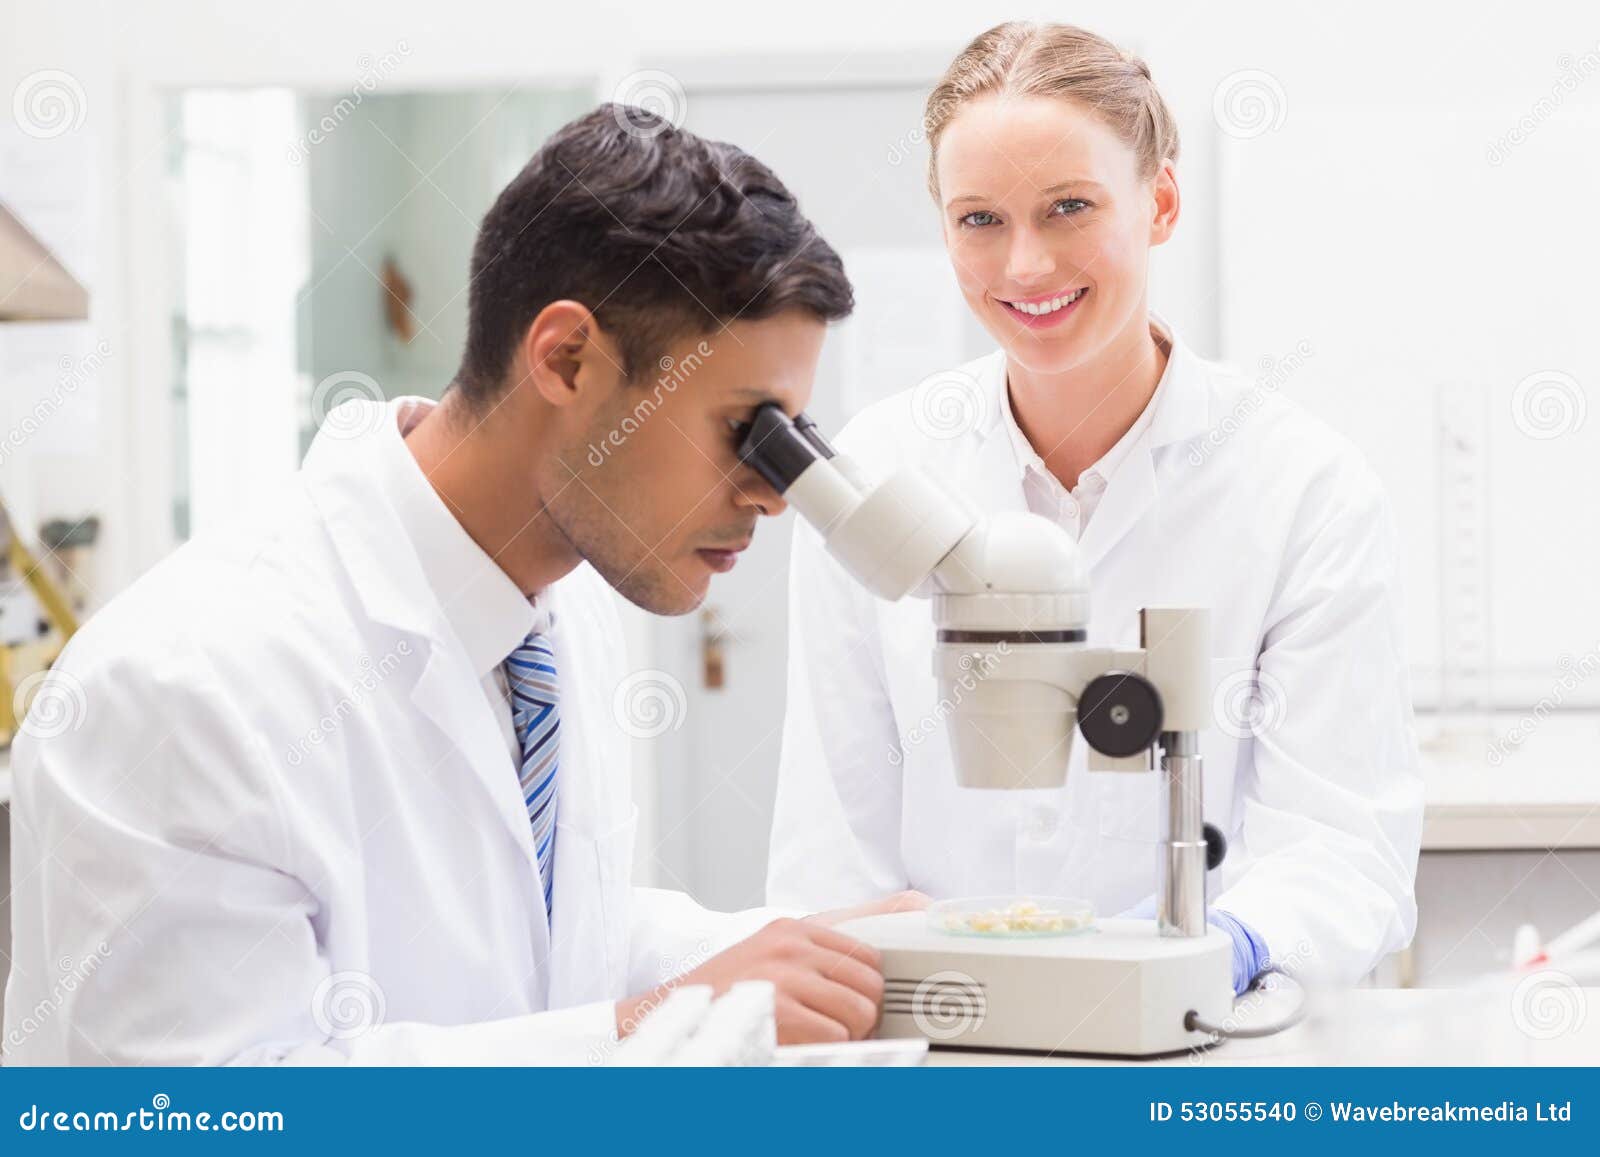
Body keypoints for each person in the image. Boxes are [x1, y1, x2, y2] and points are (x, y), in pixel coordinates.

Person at [3, 104, 917, 1065]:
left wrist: (804, 956)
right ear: (566, 360)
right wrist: (655, 1024)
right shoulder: (184, 685)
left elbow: (560, 937)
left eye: (791, 438)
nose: (772, 493)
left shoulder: (560, 605)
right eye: (747, 429)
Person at [767, 22, 1424, 994]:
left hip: (1207, 1036)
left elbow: (1340, 846)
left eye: (1068, 207)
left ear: (1160, 202)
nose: (1025, 266)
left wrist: (1210, 952)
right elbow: (832, 840)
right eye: (979, 219)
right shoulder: (882, 467)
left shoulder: (1303, 489)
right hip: (938, 1028)